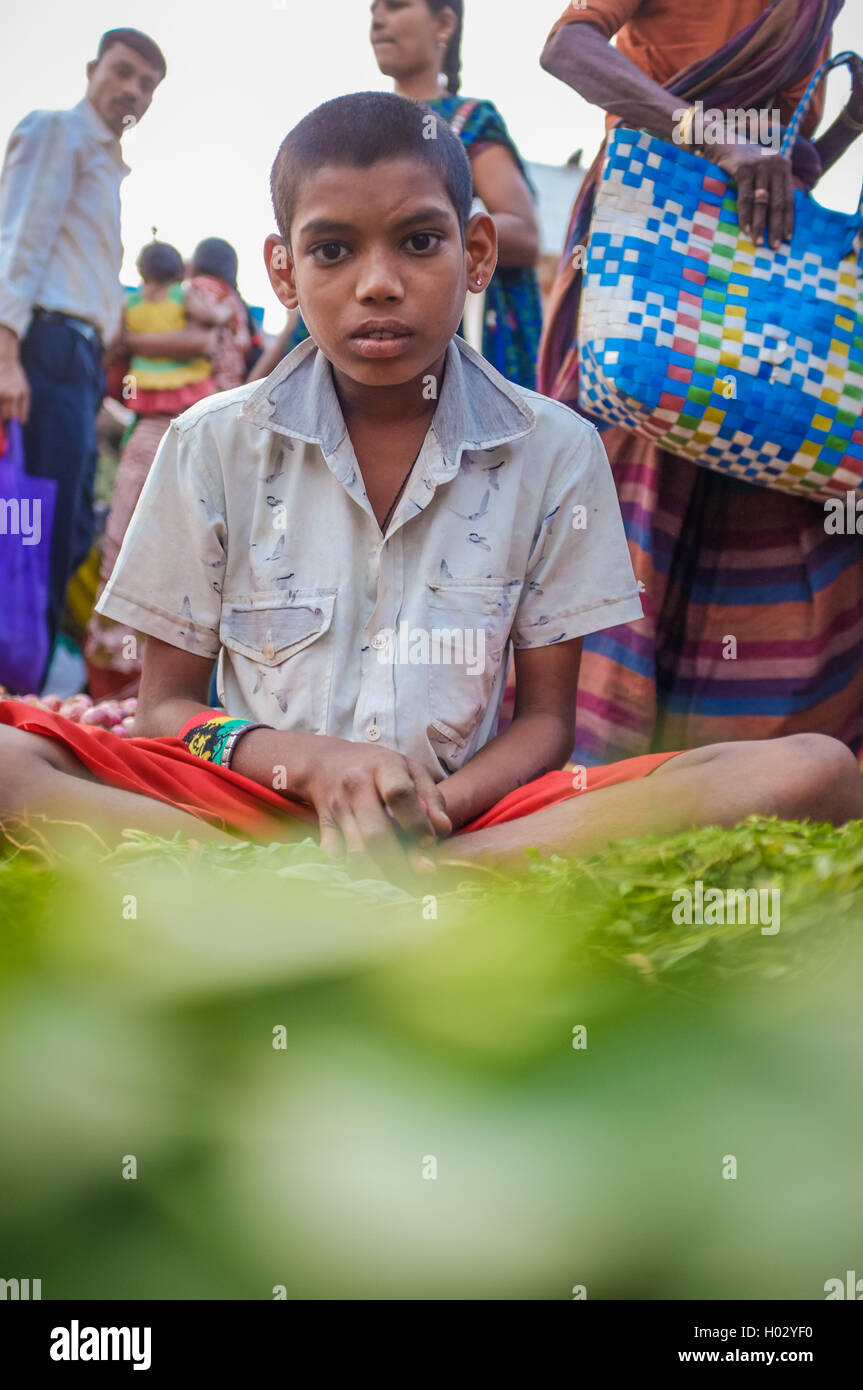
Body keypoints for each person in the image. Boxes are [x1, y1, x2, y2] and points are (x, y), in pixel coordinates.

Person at [1, 93, 860, 874]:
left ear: (475, 250)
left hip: (466, 820)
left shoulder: (555, 448)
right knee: (10, 763)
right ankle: (321, 878)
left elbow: (545, 725)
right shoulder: (210, 443)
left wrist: (426, 814)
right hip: (253, 804)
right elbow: (168, 712)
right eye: (332, 250)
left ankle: (398, 885)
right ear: (283, 273)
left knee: (813, 770)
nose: (378, 283)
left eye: (418, 241)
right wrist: (313, 765)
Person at [538, 0, 863, 766]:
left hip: (754, 300)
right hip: (646, 265)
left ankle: (747, 774)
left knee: (785, 507)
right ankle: (596, 767)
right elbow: (566, 48)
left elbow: (779, 170)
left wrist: (843, 130)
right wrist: (711, 140)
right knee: (628, 511)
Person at [0, 28, 167, 681]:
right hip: (40, 348)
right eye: (123, 72)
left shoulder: (105, 165)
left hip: (75, 362)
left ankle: (25, 685)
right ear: (93, 69)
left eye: (147, 84)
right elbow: (19, 244)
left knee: (61, 531)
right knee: (28, 532)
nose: (133, 90)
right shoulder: (56, 133)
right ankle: (19, 701)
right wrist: (7, 354)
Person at [371, 0, 543, 388]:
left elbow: (524, 234)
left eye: (396, 6)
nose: (378, 19)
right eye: (373, 10)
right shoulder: (355, 128)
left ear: (444, 23)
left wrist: (423, 236)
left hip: (449, 352)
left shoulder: (470, 121)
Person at [84, 238, 225, 700]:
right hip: (192, 417)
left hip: (153, 425)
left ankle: (120, 674)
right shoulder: (193, 299)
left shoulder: (130, 306)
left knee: (126, 545)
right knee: (185, 552)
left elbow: (118, 345)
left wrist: (133, 339)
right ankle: (154, 688)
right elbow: (208, 331)